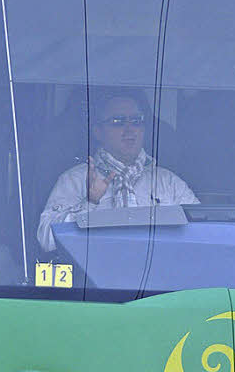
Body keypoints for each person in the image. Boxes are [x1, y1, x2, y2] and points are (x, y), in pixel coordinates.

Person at [37, 91, 197, 252]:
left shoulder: (168, 182)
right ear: (98, 132)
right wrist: (89, 203)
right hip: (93, 275)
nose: (129, 130)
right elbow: (47, 239)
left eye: (136, 121)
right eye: (118, 122)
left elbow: (200, 236)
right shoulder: (76, 179)